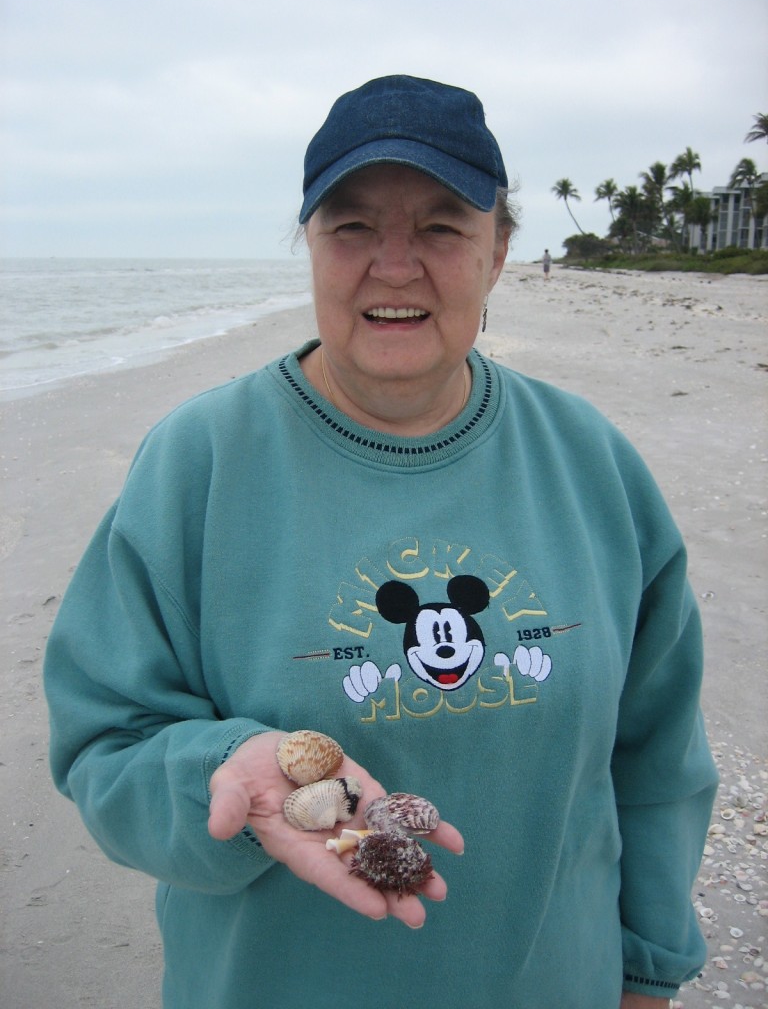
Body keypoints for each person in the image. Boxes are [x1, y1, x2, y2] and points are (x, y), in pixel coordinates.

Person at [44, 75, 717, 1009]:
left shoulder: (591, 461)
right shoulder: (198, 462)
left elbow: (656, 758)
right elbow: (104, 748)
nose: (394, 267)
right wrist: (226, 778)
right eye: (352, 226)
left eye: (442, 226)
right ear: (310, 246)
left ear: (500, 252)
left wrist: (647, 971)